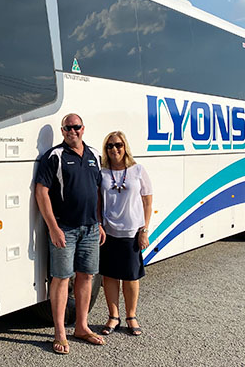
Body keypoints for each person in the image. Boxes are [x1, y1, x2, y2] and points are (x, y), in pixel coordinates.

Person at [35, 113, 106, 354]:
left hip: (91, 229)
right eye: (67, 128)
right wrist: (53, 227)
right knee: (61, 278)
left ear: (83, 129)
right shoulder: (54, 156)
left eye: (75, 127)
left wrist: (99, 222)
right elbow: (41, 192)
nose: (71, 131)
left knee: (86, 276)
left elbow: (97, 191)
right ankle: (59, 332)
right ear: (62, 130)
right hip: (65, 229)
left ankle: (82, 327)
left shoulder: (95, 155)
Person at [98, 130, 153, 337]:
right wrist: (99, 225)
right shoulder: (102, 173)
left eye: (118, 145)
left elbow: (147, 201)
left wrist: (144, 230)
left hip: (132, 233)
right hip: (109, 232)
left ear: (125, 147)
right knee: (110, 276)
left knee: (130, 277)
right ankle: (113, 316)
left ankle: (131, 316)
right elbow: (98, 201)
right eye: (110, 146)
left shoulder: (138, 170)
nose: (114, 149)